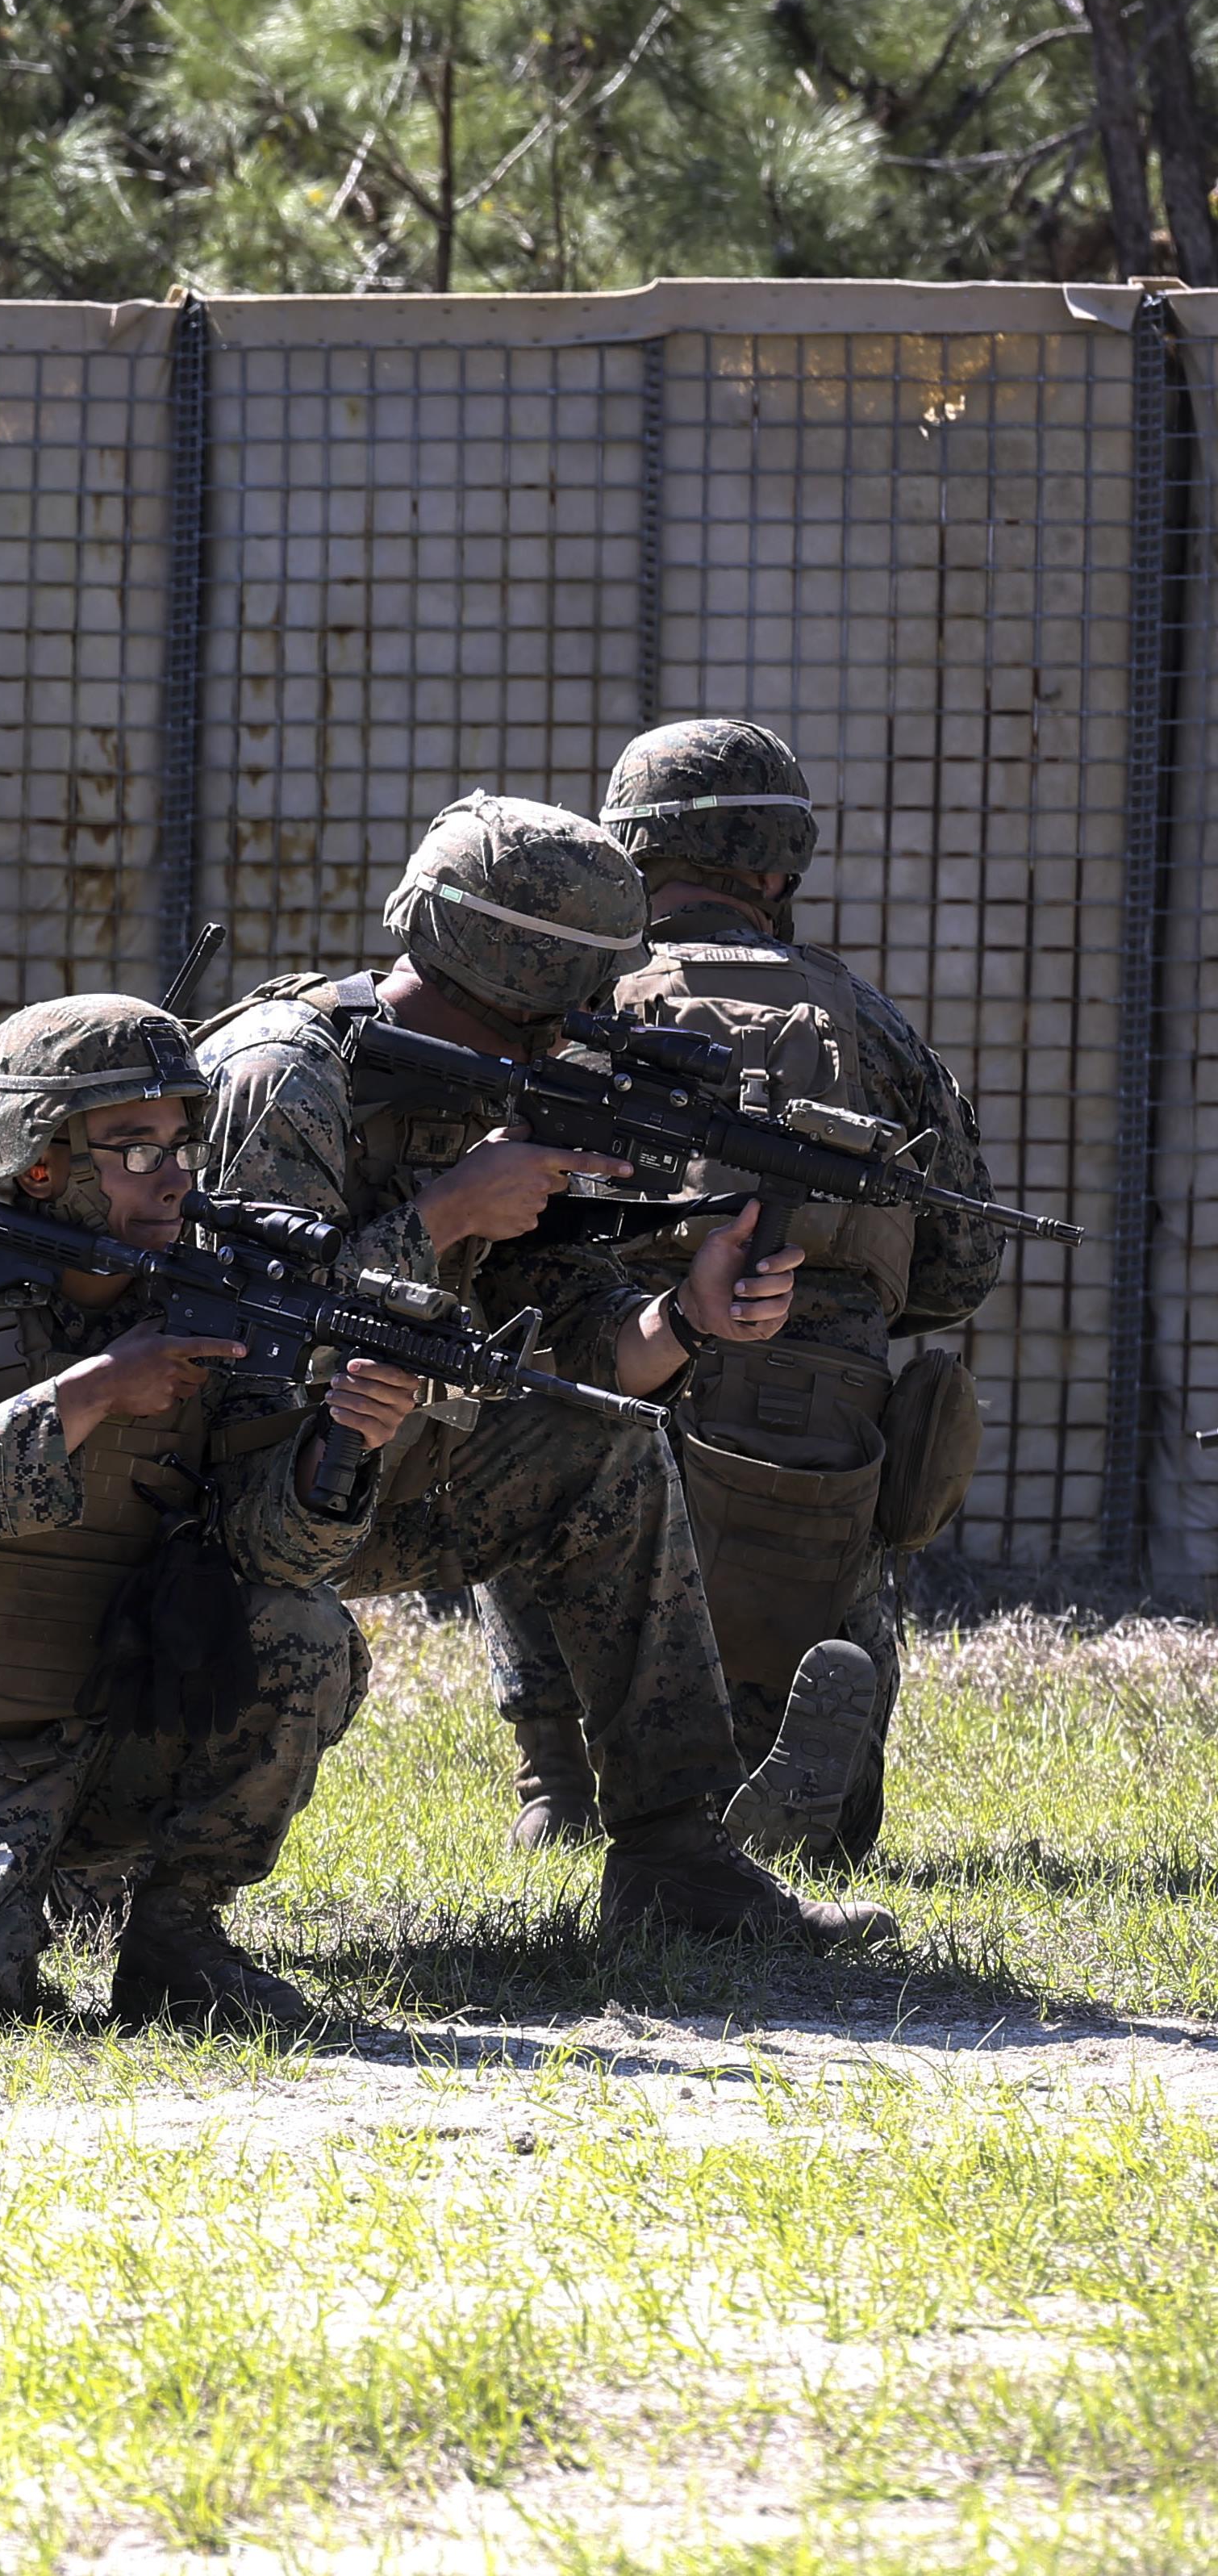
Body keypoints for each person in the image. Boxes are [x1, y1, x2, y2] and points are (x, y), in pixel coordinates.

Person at [188, 792, 896, 1948]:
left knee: (607, 1440)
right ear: (509, 986)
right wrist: (445, 1211)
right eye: (547, 1019)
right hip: (206, 1502)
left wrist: (688, 1316)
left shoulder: (485, 1091)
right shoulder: (287, 1076)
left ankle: (682, 1866)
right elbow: (237, 1333)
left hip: (354, 1481)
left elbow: (570, 1333)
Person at [0, 998, 425, 2031]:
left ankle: (177, 1938)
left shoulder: (207, 1316)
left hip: (124, 1728)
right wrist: (94, 1393)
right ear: (40, 1162)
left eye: (182, 1145)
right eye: (135, 1149)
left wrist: (342, 1447)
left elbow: (269, 1551)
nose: (177, 1176)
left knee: (302, 1632)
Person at [475, 719, 1005, 1866]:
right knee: (855, 1520)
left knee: (519, 1419)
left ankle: (557, 1779)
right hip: (811, 1423)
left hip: (622, 1382)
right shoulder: (872, 1028)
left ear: (628, 855)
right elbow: (962, 1262)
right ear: (778, 871)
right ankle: (821, 1772)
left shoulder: (576, 1015)